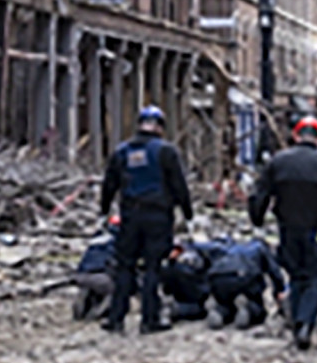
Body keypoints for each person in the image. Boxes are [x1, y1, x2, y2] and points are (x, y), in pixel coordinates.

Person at [99, 105, 193, 335]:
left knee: (125, 266)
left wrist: (104, 209)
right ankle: (149, 319)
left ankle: (116, 318)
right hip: (158, 216)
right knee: (153, 267)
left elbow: (109, 184)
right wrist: (187, 211)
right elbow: (179, 184)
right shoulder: (166, 152)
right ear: (160, 127)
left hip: (130, 214)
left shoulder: (122, 152)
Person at [249, 116, 317, 350]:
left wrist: (257, 218)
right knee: (316, 277)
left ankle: (297, 318)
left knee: (296, 274)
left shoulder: (279, 162)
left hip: (287, 227)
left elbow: (260, 193)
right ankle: (305, 323)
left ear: (295, 136)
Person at [202, 237, 285, 328]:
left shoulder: (230, 246)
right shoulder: (260, 247)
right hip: (244, 273)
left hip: (218, 276)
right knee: (256, 303)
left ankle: (220, 312)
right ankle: (249, 311)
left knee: (225, 303)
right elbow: (275, 272)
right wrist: (279, 290)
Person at [71, 216, 118, 321]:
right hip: (101, 277)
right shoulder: (120, 239)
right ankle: (98, 312)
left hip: (80, 275)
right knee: (117, 288)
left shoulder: (97, 238)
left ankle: (79, 312)